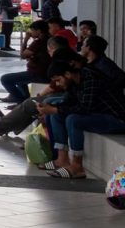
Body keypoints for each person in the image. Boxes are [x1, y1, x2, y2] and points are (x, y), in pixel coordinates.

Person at [50, 50, 125, 179]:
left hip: (117, 119)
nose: (58, 84)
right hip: (100, 116)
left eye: (58, 80)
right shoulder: (73, 82)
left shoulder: (90, 77)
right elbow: (68, 103)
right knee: (56, 114)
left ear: (67, 74)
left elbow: (85, 108)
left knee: (73, 120)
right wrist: (52, 109)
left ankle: (77, 166)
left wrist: (56, 109)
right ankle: (62, 159)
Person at [0, 20, 50, 104]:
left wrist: (26, 39)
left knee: (5, 79)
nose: (31, 32)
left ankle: (18, 99)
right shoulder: (49, 39)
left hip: (37, 73)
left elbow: (23, 55)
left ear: (39, 31)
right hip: (44, 72)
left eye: (32, 30)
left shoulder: (39, 42)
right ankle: (24, 101)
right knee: (21, 81)